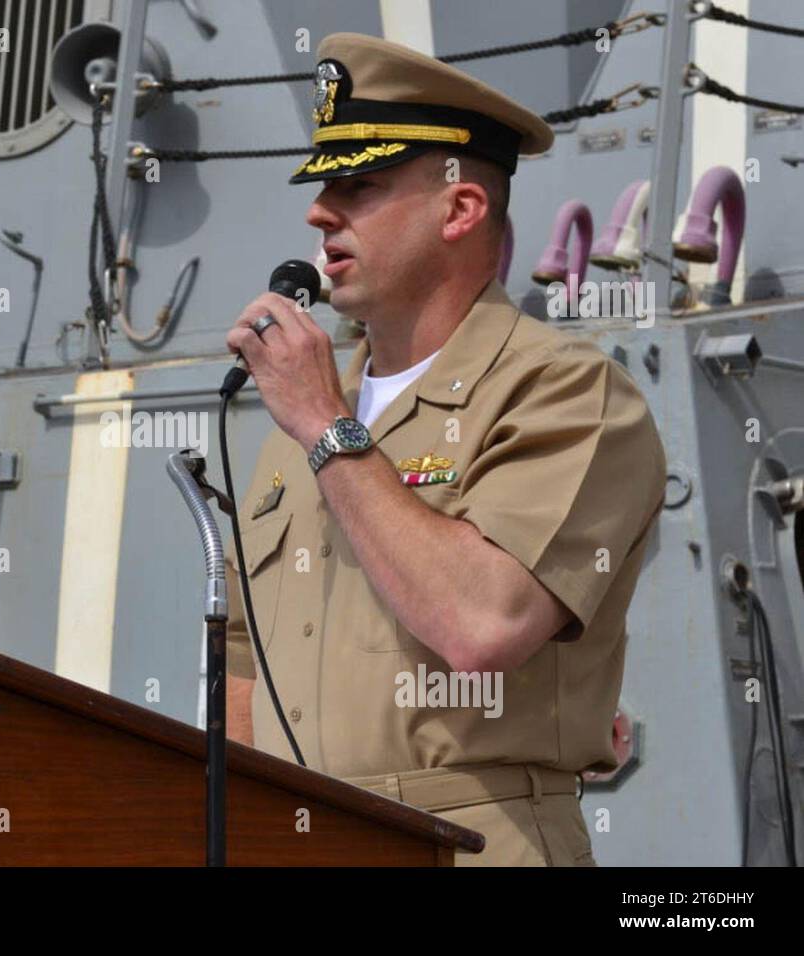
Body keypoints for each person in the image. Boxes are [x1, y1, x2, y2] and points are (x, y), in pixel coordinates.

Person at [222, 32, 666, 866]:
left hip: (469, 844)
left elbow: (482, 624)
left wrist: (326, 429)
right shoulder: (306, 416)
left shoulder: (569, 394)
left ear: (459, 210)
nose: (321, 213)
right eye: (323, 187)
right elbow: (243, 664)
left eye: (360, 186)